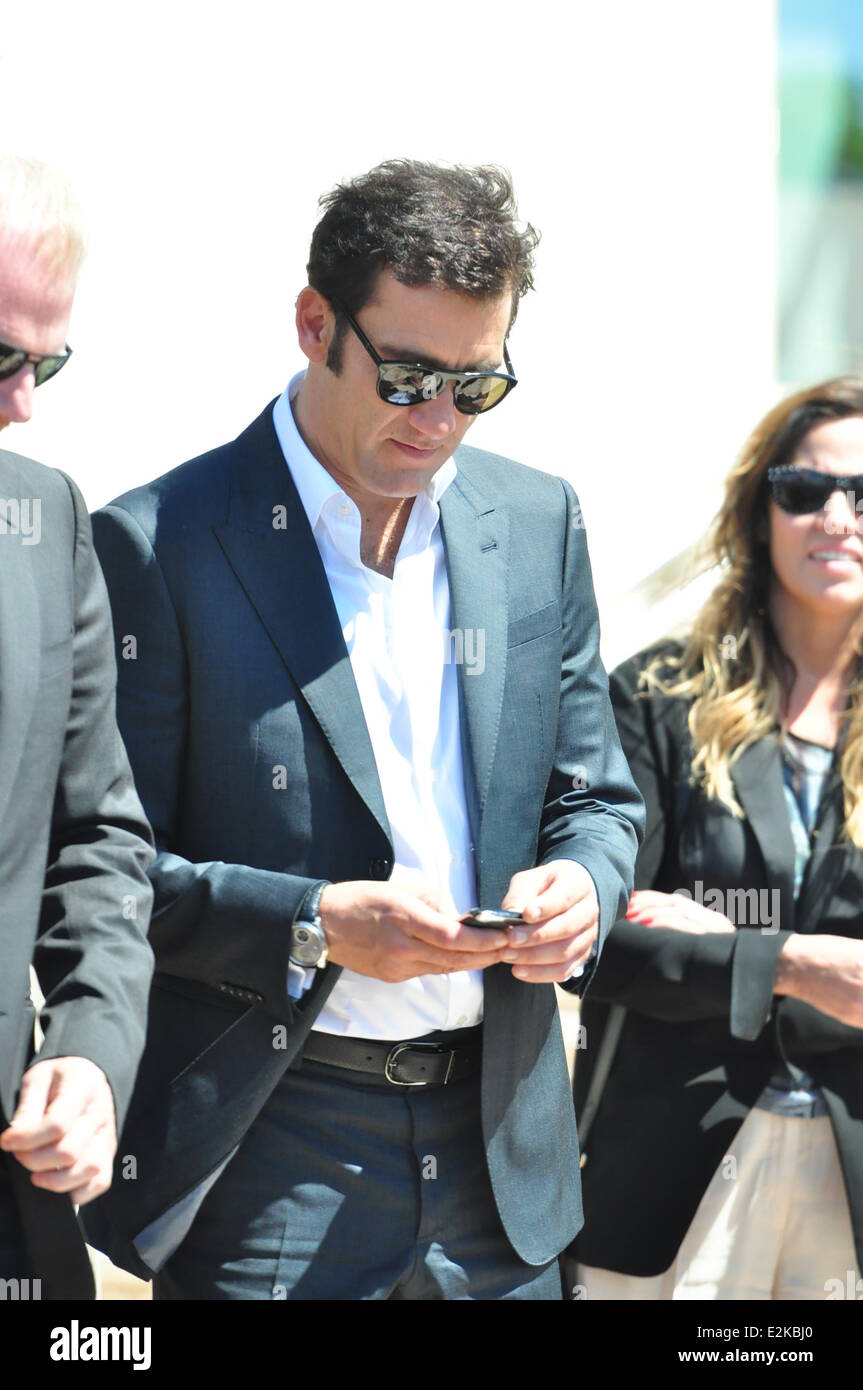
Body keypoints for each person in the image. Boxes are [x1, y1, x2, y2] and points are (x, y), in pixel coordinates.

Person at [83, 159, 643, 1301]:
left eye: (475, 386)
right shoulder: (159, 544)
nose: (438, 419)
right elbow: (101, 878)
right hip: (270, 1147)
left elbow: (597, 799)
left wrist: (582, 885)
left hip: (502, 1152)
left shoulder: (538, 522)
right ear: (312, 324)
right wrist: (314, 926)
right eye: (405, 376)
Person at [571, 377, 863, 1300]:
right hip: (674, 1175)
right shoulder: (655, 696)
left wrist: (730, 948)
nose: (836, 517)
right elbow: (593, 938)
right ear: (759, 507)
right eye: (804, 489)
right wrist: (798, 965)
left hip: (848, 1191)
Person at [0, 155, 155, 1299]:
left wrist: (92, 1055)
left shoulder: (45, 518)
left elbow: (98, 836)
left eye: (45, 360)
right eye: (1, 357)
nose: (24, 402)